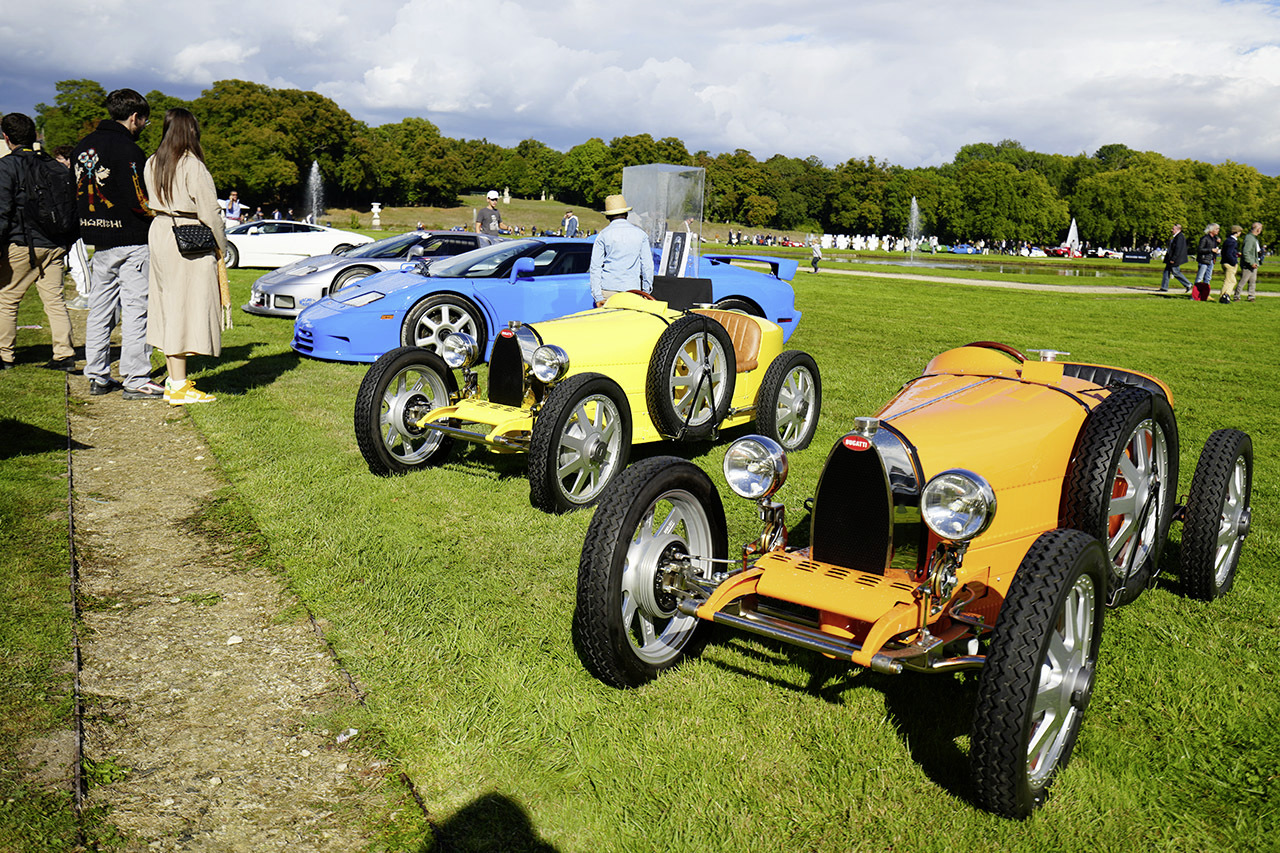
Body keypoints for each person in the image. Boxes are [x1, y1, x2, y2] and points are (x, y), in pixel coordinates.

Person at [74, 88, 162, 398]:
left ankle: (97, 373)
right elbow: (138, 198)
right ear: (135, 117)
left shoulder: (83, 146)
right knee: (137, 308)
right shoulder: (128, 150)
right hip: (131, 238)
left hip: (98, 239)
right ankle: (136, 377)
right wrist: (158, 216)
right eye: (144, 122)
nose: (142, 128)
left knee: (100, 308)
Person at [143, 108, 226, 405]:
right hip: (188, 237)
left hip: (161, 230)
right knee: (183, 307)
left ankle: (174, 379)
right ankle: (178, 386)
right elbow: (211, 212)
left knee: (168, 305)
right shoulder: (193, 166)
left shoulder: (153, 162)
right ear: (191, 131)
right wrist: (222, 246)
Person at [0, 113, 77, 370]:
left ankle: (4, 355)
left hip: (22, 243)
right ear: (34, 136)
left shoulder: (7, 166)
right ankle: (64, 354)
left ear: (6, 137)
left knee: (7, 299)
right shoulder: (53, 165)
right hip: (55, 243)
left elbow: (2, 210)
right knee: (55, 300)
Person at [588, 194, 652, 307]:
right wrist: (646, 291)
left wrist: (597, 296)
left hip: (608, 290)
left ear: (607, 217)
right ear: (626, 214)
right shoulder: (640, 234)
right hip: (632, 290)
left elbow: (595, 267)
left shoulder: (603, 235)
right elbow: (647, 266)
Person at [52, 145, 90, 310]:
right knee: (71, 261)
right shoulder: (62, 176)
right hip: (68, 223)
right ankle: (83, 292)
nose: (58, 162)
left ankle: (88, 295)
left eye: (60, 159)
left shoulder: (77, 176)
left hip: (77, 224)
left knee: (79, 259)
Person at [1158, 224, 1191, 293]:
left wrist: (1173, 259)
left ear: (1178, 230)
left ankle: (1188, 284)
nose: (1171, 230)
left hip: (1175, 259)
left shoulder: (1180, 237)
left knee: (1176, 272)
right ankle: (1164, 287)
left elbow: (1178, 249)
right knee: (1166, 271)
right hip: (1171, 258)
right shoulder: (1176, 237)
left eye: (1173, 229)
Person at [1193, 223, 1221, 301]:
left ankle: (1205, 294)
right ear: (1211, 230)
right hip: (1204, 260)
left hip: (1211, 260)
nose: (1218, 231)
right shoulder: (1204, 238)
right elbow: (1200, 249)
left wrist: (1217, 243)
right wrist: (1211, 250)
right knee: (1199, 278)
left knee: (1208, 278)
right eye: (1216, 229)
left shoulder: (1214, 239)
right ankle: (1195, 295)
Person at [1239, 222, 1262, 303]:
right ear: (1258, 230)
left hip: (1254, 263)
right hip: (1248, 264)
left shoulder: (1254, 238)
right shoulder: (1249, 238)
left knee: (1252, 281)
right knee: (1243, 280)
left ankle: (1251, 296)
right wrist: (1251, 262)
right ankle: (1237, 296)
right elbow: (1246, 252)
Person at [1219, 224, 1243, 303]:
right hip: (1229, 264)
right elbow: (1229, 253)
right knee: (1228, 280)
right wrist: (1234, 262)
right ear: (1236, 232)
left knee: (1233, 281)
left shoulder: (1227, 240)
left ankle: (1226, 294)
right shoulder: (1233, 242)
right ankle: (1223, 296)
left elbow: (1224, 252)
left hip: (1224, 262)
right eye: (1239, 232)